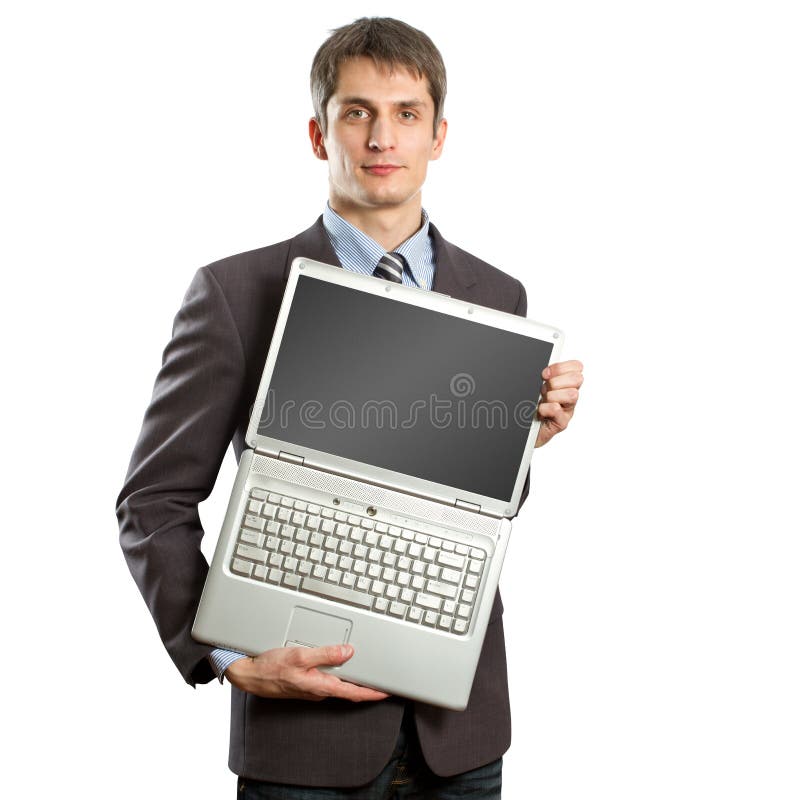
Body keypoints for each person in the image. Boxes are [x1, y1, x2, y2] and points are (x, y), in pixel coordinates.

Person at [117, 16, 584, 798]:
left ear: (439, 136)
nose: (380, 137)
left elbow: (474, 513)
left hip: (460, 737)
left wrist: (524, 444)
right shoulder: (236, 293)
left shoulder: (498, 298)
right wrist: (229, 657)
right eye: (356, 111)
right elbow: (153, 500)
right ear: (317, 132)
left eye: (406, 114)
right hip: (301, 740)